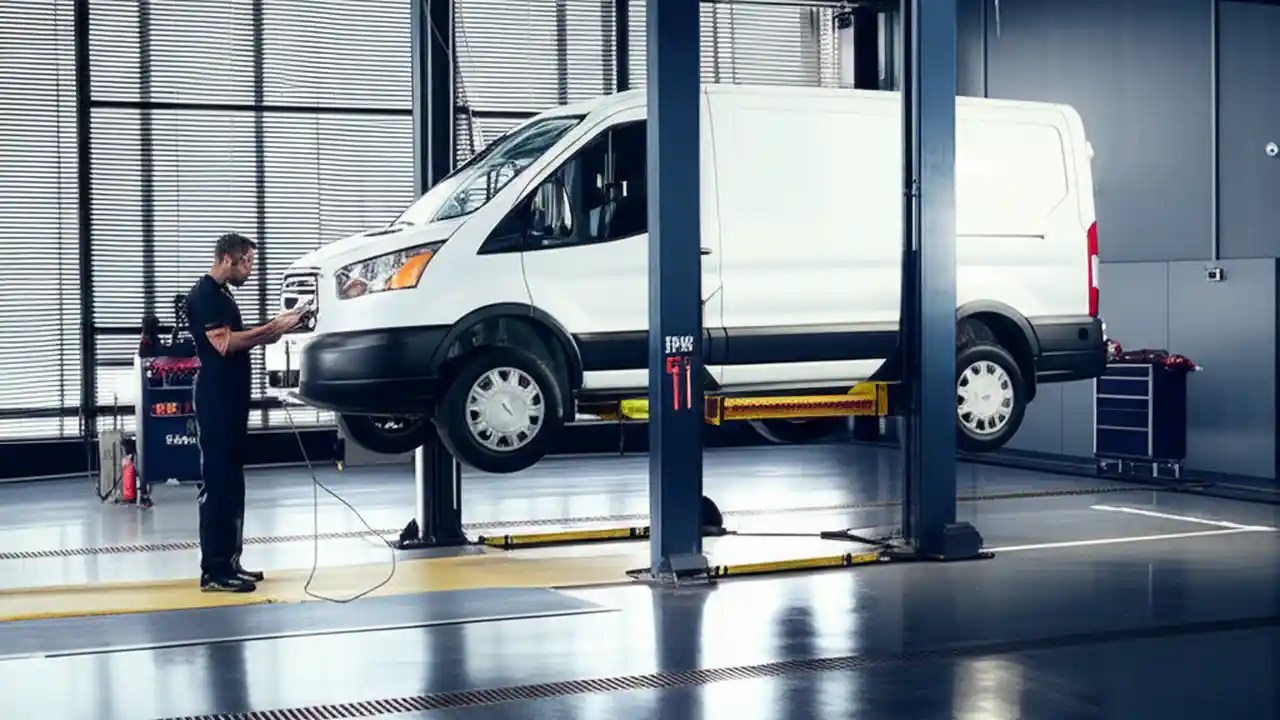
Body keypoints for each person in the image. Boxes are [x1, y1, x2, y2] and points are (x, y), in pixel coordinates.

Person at [185, 232, 305, 592]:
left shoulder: (223, 294)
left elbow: (240, 335)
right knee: (218, 482)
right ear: (227, 259)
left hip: (232, 400)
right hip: (216, 400)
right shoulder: (204, 295)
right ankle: (214, 571)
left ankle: (231, 560)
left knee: (233, 481)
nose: (251, 269)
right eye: (247, 262)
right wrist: (273, 329)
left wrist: (277, 327)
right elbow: (225, 343)